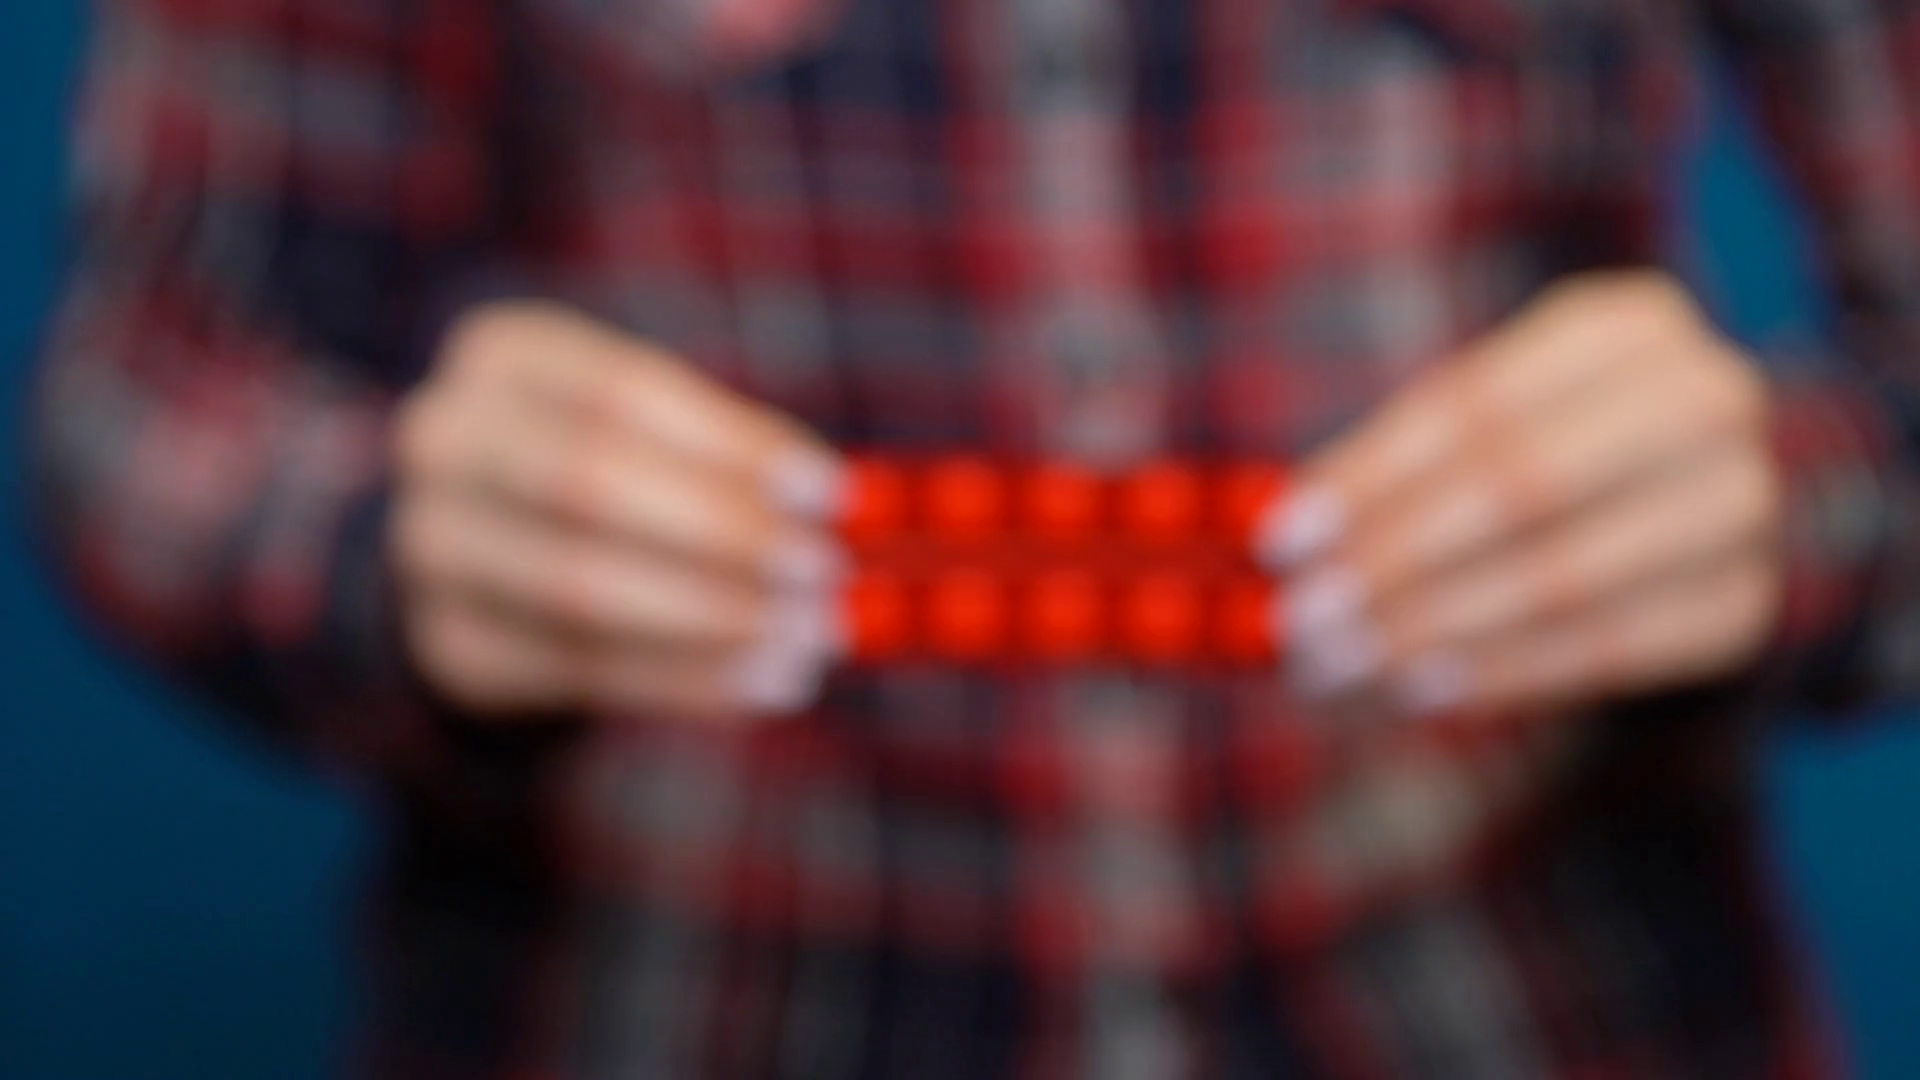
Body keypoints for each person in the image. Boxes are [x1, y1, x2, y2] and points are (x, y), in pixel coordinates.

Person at [27, 0, 1919, 1074]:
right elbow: (145, 382)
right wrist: (384, 551)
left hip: (1551, 1000)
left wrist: (1792, 506)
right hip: (668, 1005)